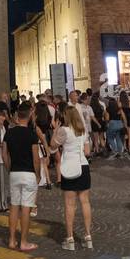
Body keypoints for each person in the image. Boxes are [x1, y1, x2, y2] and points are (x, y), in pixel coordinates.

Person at [53, 104, 92, 250]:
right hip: (83, 165)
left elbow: (52, 146)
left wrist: (55, 128)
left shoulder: (64, 130)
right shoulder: (83, 131)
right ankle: (88, 236)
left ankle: (70, 239)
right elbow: (87, 151)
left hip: (69, 167)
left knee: (70, 204)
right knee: (85, 202)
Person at [4, 102, 40, 252]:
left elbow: (4, 154)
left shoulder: (9, 133)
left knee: (14, 206)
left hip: (14, 173)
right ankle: (23, 242)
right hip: (28, 173)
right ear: (29, 116)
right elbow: (35, 158)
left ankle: (12, 240)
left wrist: (9, 168)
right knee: (26, 208)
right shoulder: (31, 134)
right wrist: (37, 175)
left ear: (17, 116)